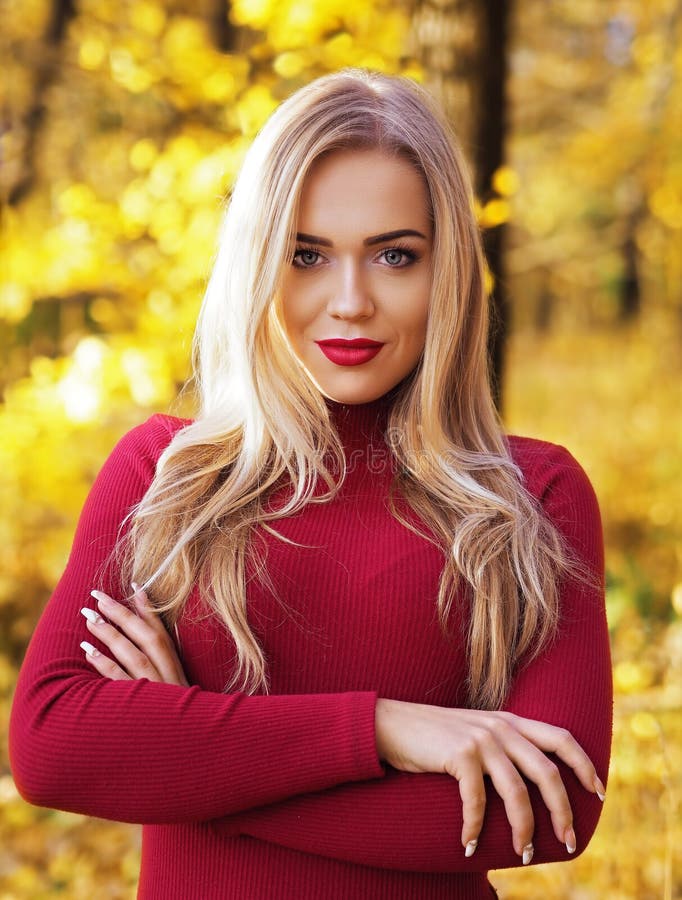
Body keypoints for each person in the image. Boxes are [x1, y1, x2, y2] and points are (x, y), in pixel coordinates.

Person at [9, 69, 612, 899]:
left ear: (449, 275)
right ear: (257, 263)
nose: (351, 302)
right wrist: (383, 730)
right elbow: (52, 747)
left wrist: (196, 762)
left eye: (395, 255)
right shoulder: (167, 477)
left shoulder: (532, 496)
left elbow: (545, 814)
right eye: (307, 255)